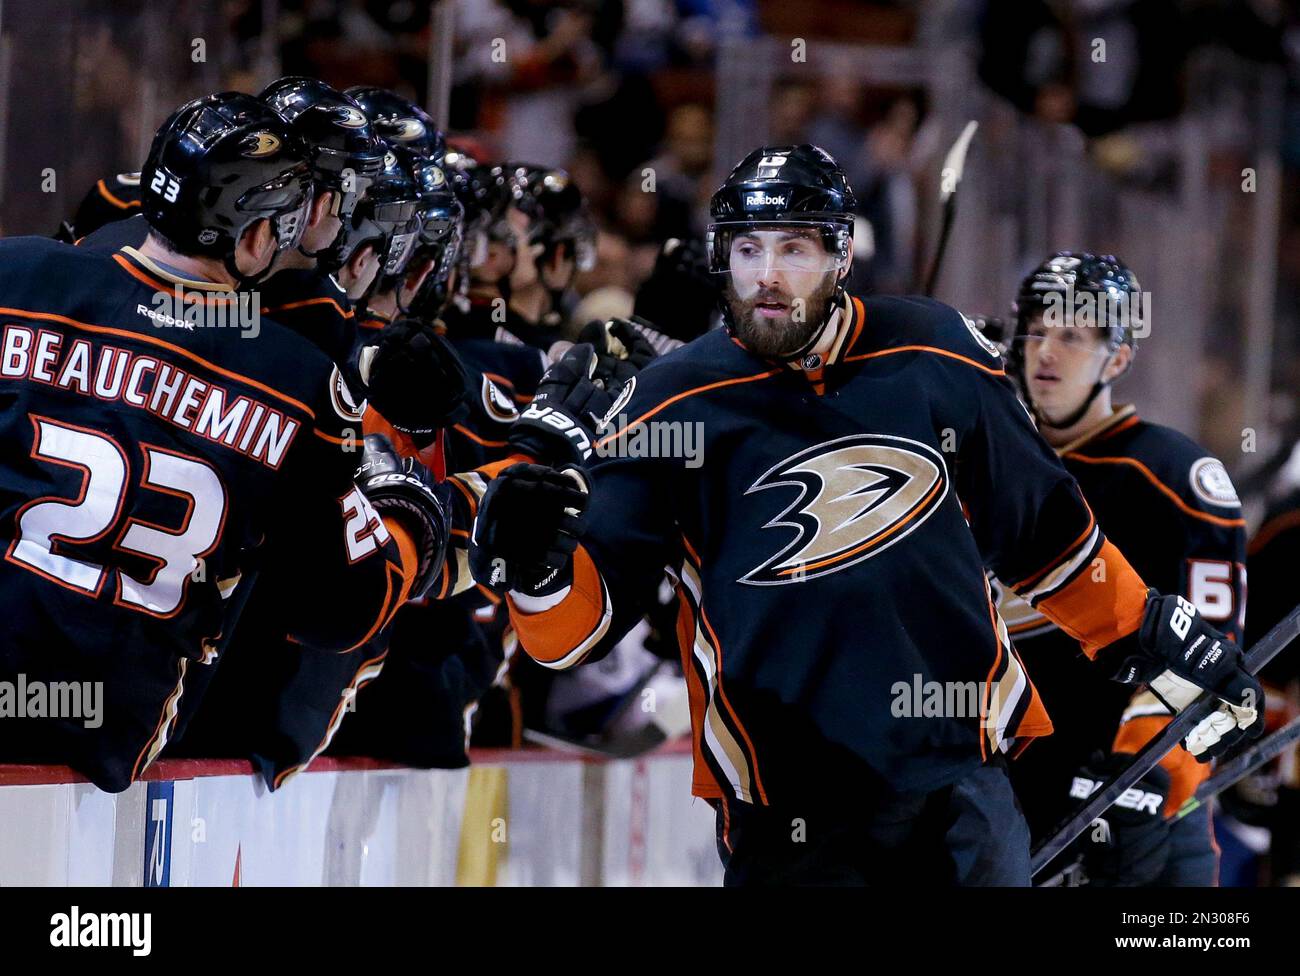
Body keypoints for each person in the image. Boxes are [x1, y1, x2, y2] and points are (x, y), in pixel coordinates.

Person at [467, 144, 1263, 886]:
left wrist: (1153, 629)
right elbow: (576, 628)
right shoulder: (670, 402)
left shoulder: (936, 350)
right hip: (786, 808)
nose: (768, 277)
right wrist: (537, 577)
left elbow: (1047, 535)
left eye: (794, 250)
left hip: (962, 779)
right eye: (749, 251)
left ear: (841, 256)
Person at [0, 92, 451, 793]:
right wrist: (404, 515)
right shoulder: (298, 379)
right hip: (97, 735)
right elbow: (337, 615)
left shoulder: (19, 273)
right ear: (251, 236)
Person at [994, 252, 1246, 886]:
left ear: (1118, 358)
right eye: (1037, 331)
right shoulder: (986, 467)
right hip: (1008, 807)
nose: (1046, 351)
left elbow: (1209, 661)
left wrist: (1145, 778)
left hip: (1141, 812)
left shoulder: (1176, 479)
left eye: (1073, 336)